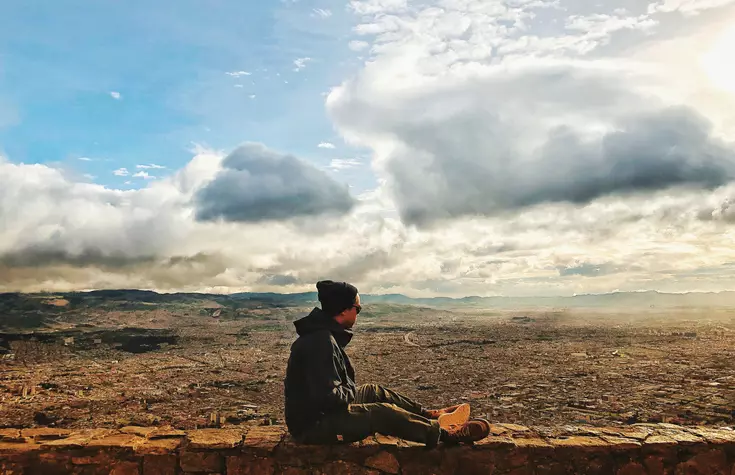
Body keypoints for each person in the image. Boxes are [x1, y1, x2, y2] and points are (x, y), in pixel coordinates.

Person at [284, 280, 491, 447]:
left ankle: (428, 415)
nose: (358, 313)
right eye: (358, 308)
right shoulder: (320, 342)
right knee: (380, 412)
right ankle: (445, 435)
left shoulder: (322, 336)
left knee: (374, 391)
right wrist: (349, 388)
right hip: (313, 426)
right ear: (344, 310)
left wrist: (348, 389)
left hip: (319, 414)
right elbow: (327, 398)